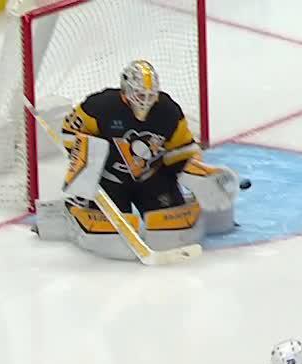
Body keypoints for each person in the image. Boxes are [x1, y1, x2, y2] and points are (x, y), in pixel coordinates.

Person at [34, 59, 240, 260]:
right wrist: (85, 161)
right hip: (109, 179)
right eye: (140, 94)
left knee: (170, 235)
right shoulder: (100, 106)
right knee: (110, 238)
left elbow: (183, 150)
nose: (145, 101)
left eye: (151, 95)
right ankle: (70, 210)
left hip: (152, 178)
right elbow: (70, 133)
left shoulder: (168, 111)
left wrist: (197, 175)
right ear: (126, 91)